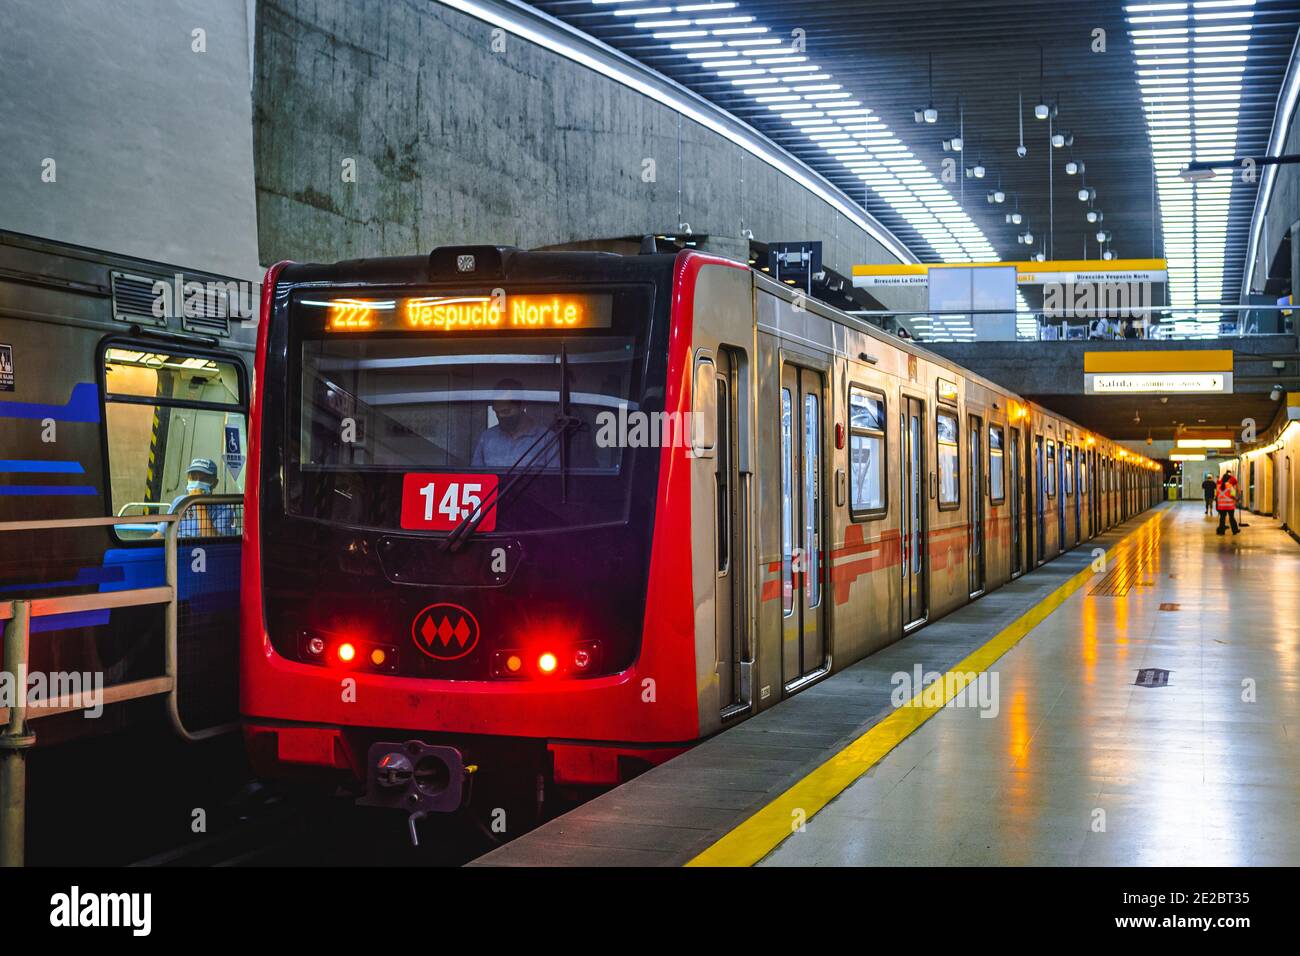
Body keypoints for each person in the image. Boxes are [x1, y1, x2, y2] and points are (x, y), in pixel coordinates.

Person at [471, 378, 558, 469]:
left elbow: (554, 480)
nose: (500, 416)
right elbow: (475, 477)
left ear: (522, 406)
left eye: (506, 411)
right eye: (497, 412)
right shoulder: (487, 438)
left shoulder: (546, 439)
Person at [157, 457, 237, 537]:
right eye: (193, 478)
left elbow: (212, 541)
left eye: (203, 479)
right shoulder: (179, 501)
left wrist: (199, 504)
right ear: (188, 479)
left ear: (214, 483)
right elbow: (161, 533)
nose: (197, 482)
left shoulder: (223, 510)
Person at [1215, 470, 1240, 536]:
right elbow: (1232, 495)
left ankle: (1221, 531)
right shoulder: (1230, 486)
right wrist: (1237, 499)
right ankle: (1235, 530)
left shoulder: (1218, 486)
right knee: (1231, 518)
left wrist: (1217, 505)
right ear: (1228, 479)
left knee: (1222, 518)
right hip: (1230, 506)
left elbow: (1216, 496)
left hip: (1221, 506)